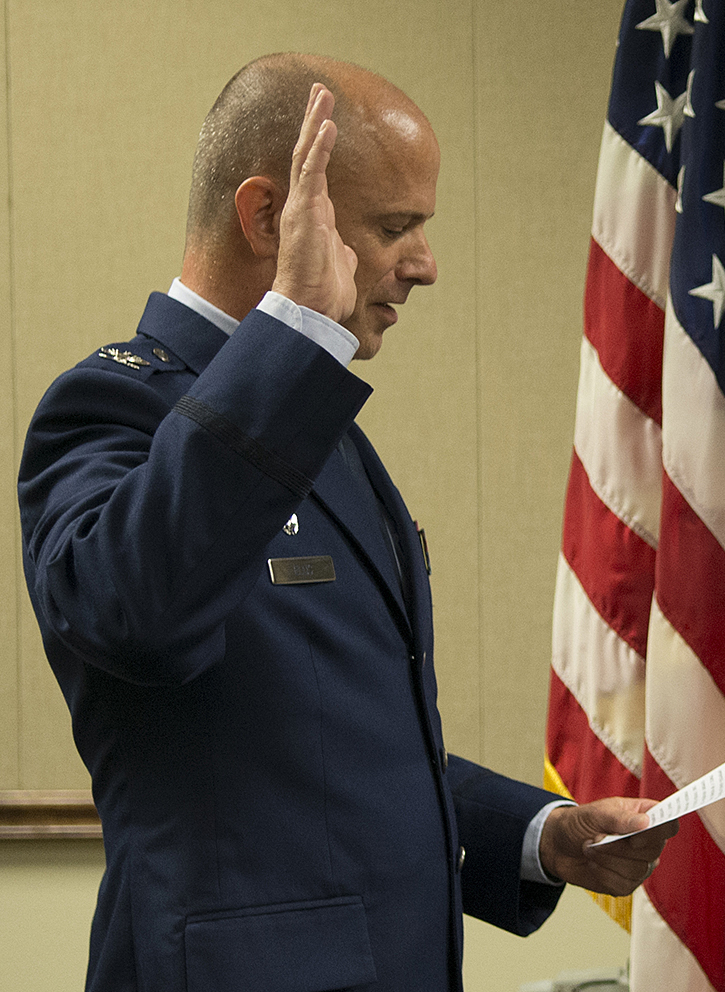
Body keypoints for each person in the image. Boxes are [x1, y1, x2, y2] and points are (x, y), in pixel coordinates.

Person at [19, 55, 675, 992]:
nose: (426, 265)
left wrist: (538, 836)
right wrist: (291, 333)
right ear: (264, 219)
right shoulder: (110, 407)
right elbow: (140, 614)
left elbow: (326, 746)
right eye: (395, 227)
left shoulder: (311, 419)